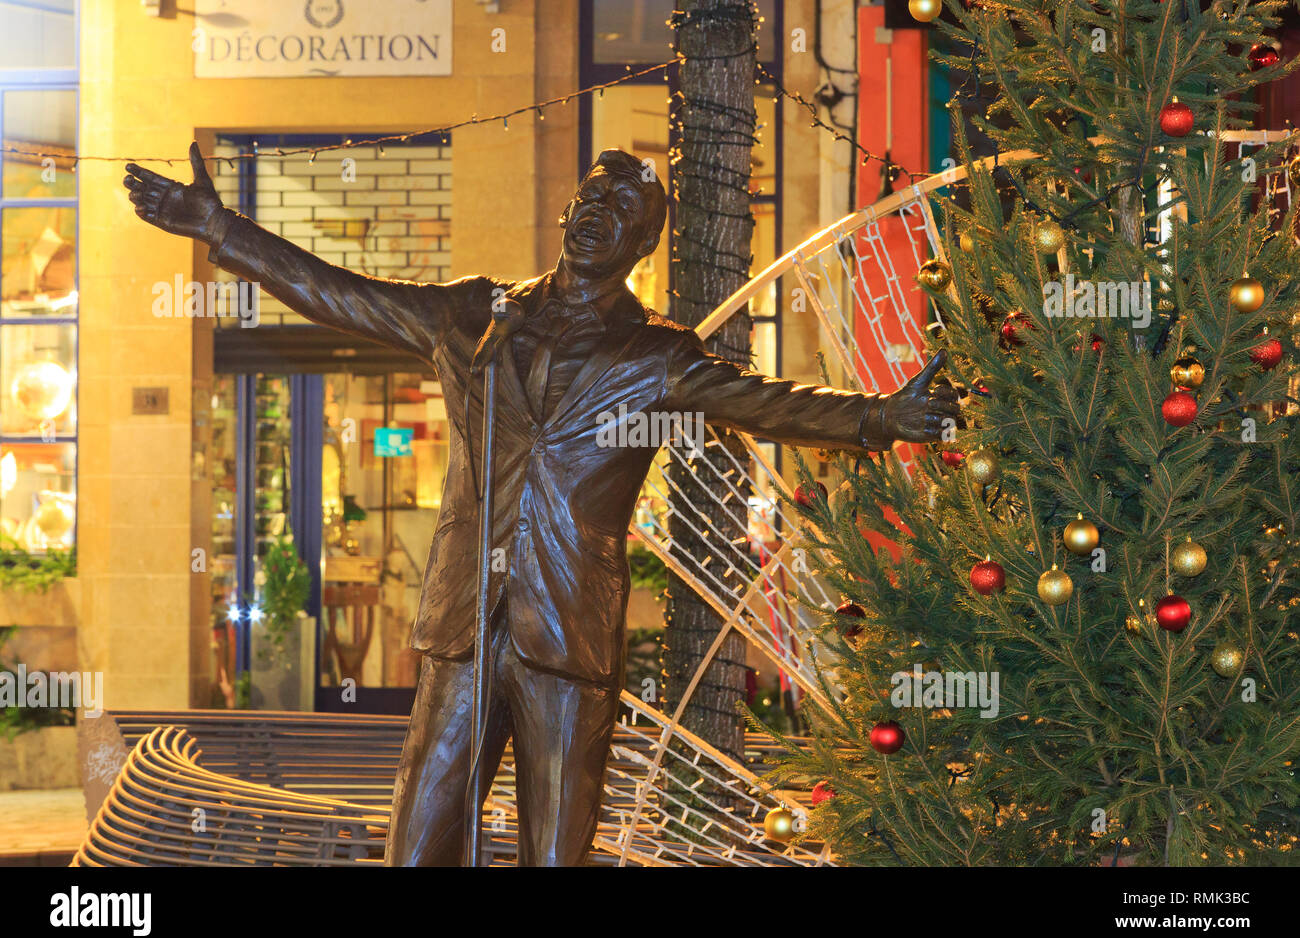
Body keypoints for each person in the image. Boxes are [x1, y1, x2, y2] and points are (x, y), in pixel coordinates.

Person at [124, 144, 961, 866]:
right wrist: (222, 230)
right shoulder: (473, 315)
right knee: (417, 843)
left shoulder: (656, 356)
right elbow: (341, 292)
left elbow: (769, 404)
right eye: (593, 196)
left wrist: (883, 417)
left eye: (624, 209)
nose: (600, 213)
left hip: (566, 633)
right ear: (567, 210)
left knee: (555, 852)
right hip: (465, 625)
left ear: (643, 243)